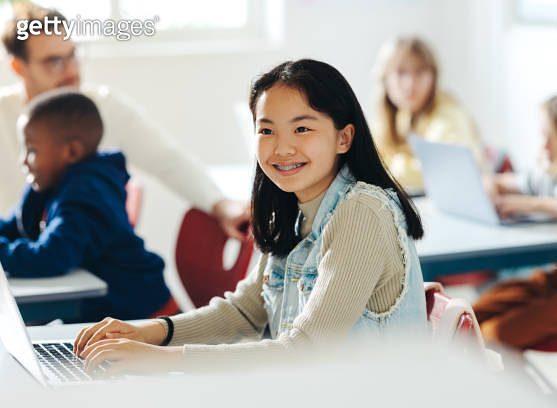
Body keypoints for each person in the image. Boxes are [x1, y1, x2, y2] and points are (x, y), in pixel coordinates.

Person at [72, 59, 427, 373]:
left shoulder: (362, 212)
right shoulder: (290, 208)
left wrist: (160, 359)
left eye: (302, 129)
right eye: (267, 130)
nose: (282, 147)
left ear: (344, 138)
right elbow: (246, 311)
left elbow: (307, 351)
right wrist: (146, 332)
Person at [0, 2, 248, 240]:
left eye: (73, 55)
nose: (71, 71)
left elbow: (166, 159)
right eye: (54, 62)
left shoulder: (103, 107)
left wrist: (219, 204)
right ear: (18, 67)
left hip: (85, 267)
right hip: (14, 262)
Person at [0, 89, 176, 321]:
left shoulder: (87, 194)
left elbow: (52, 257)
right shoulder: (49, 184)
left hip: (146, 321)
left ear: (71, 152)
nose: (23, 161)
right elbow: (14, 224)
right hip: (105, 320)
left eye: (32, 150)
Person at [474, 90, 557, 348]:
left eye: (552, 138)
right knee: (469, 317)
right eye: (543, 137)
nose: (544, 147)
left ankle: (504, 385)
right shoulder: (555, 176)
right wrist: (490, 185)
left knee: (495, 334)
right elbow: (495, 182)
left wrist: (534, 203)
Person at [371, 36, 484, 191]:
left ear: (434, 77)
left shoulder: (449, 115)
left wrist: (394, 165)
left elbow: (443, 171)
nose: (410, 83)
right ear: (384, 79)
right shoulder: (401, 116)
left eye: (420, 72)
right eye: (400, 72)